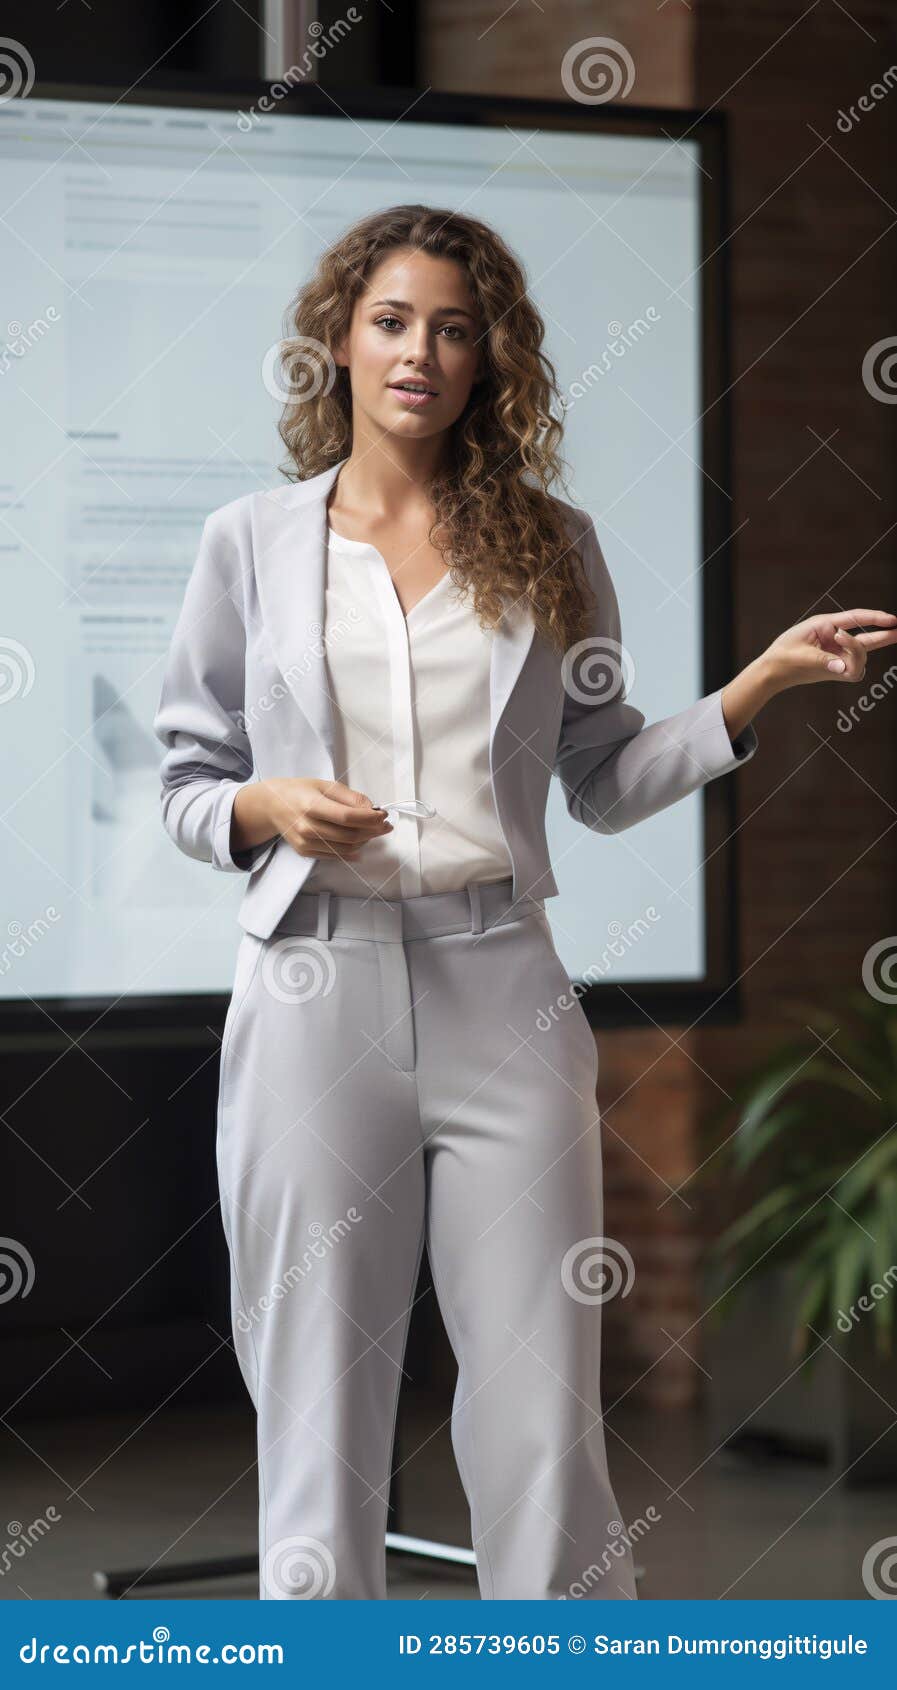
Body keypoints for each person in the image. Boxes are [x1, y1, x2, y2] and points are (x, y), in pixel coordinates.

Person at [153, 203, 897, 1601]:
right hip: (312, 986)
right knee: (314, 1396)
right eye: (389, 320)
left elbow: (602, 783)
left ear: (487, 356)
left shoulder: (550, 542)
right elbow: (189, 777)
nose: (418, 350)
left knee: (543, 1404)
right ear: (336, 339)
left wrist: (756, 690)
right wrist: (266, 807)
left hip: (502, 982)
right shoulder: (248, 541)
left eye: (451, 325)